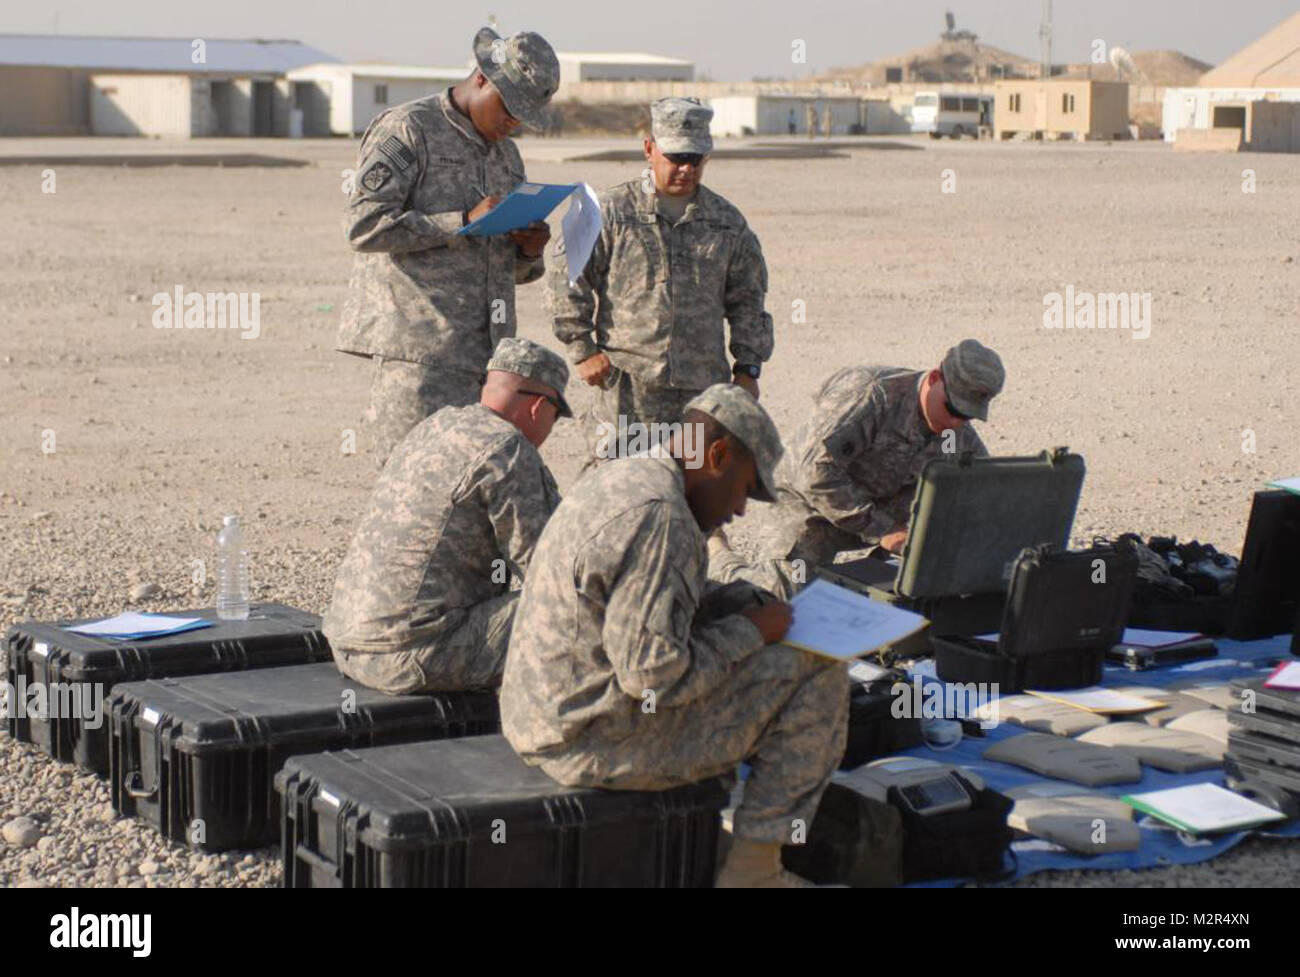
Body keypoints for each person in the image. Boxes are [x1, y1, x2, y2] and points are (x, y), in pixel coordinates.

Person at [500, 384, 848, 888]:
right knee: (818, 670)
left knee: (768, 642)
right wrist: (751, 631)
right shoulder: (664, 517)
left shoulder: (629, 477)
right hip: (587, 739)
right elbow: (654, 680)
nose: (742, 511)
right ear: (717, 455)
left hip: (543, 713)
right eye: (745, 489)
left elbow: (646, 597)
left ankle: (733, 847)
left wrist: (739, 602)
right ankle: (754, 872)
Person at [336, 26, 560, 467]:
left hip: (488, 357)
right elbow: (362, 227)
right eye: (508, 107)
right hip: (420, 354)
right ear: (481, 78)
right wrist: (459, 222)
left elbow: (508, 267)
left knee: (473, 489)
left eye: (523, 117)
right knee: (412, 483)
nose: (513, 121)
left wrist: (529, 249)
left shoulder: (506, 155)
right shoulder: (409, 129)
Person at [323, 337, 570, 693]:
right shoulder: (508, 448)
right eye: (556, 415)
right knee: (583, 611)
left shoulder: (434, 426)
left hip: (347, 644)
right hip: (412, 656)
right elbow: (550, 570)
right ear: (539, 407)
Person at [548, 96, 773, 466]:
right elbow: (568, 278)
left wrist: (748, 368)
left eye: (695, 159)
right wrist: (581, 347)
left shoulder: (726, 223)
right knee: (617, 493)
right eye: (676, 157)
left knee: (696, 496)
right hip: (627, 390)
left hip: (701, 392)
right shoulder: (610, 212)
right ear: (649, 149)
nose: (686, 169)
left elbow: (748, 299)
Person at [711, 339, 1006, 600]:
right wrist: (884, 530)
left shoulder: (956, 431)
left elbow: (982, 487)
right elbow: (814, 473)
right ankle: (717, 554)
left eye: (967, 417)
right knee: (783, 596)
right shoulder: (871, 394)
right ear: (935, 377)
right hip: (812, 505)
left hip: (884, 510)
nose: (956, 423)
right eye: (953, 409)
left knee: (914, 591)